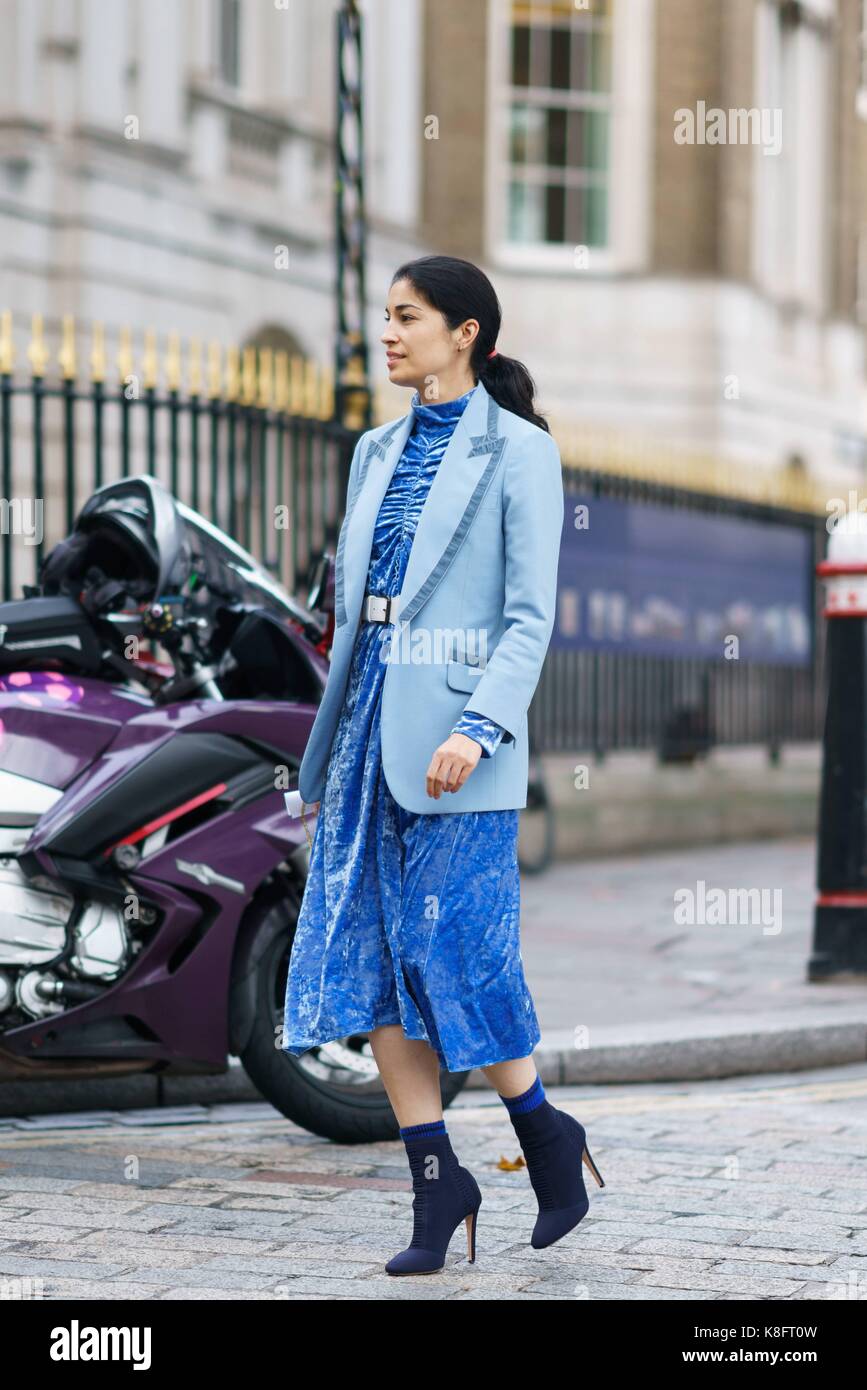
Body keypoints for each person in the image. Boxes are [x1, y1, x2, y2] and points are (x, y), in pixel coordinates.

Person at [281, 254, 604, 1275]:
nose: (389, 333)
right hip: (369, 718)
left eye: (407, 317)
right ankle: (436, 1183)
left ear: (465, 332)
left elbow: (526, 618)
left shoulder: (520, 454)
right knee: (373, 955)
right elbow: (359, 605)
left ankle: (547, 1132)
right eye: (386, 315)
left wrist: (479, 725)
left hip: (460, 736)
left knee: (453, 950)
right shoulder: (373, 451)